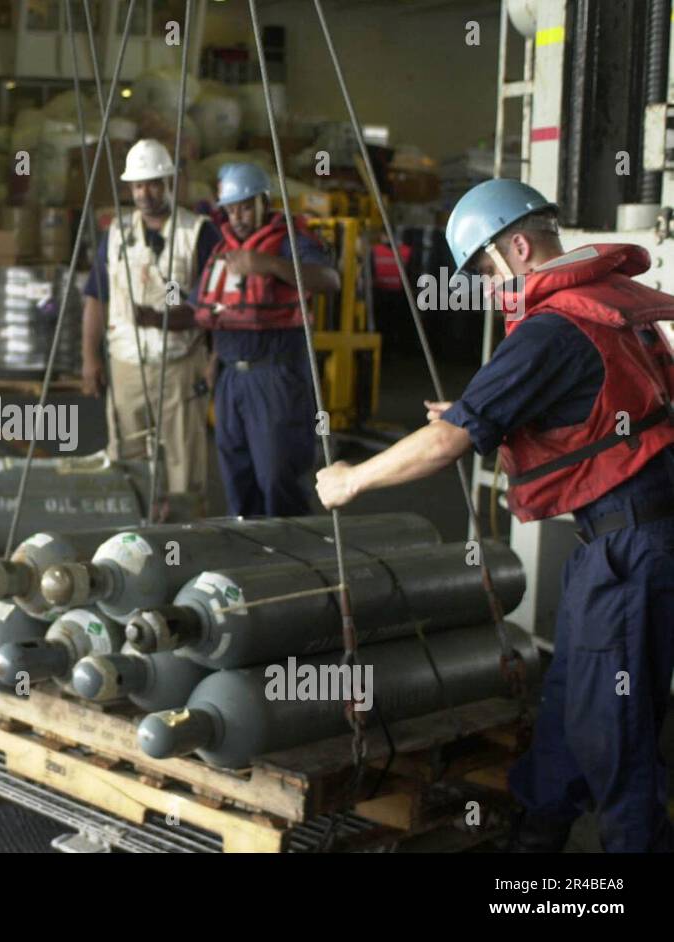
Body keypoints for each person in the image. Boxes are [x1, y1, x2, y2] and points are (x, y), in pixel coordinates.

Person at [315, 178, 674, 853]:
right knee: (570, 705)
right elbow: (586, 407)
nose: (485, 286)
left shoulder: (552, 328)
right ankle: (535, 846)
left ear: (516, 245)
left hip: (628, 552)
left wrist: (351, 480)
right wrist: (479, 407)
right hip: (624, 543)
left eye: (484, 268)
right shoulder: (604, 305)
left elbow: (450, 443)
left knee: (614, 734)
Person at [192, 163, 339, 516]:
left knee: (278, 476)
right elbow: (216, 309)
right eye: (231, 208)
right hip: (231, 376)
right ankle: (249, 557)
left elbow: (329, 280)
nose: (238, 216)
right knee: (236, 475)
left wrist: (268, 265)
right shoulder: (221, 250)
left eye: (245, 206)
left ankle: (291, 557)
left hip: (276, 376)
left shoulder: (292, 241)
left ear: (264, 202)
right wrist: (213, 362)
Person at [81, 138, 219, 499]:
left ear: (169, 182)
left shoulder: (198, 232)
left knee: (184, 464)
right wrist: (90, 358)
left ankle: (183, 541)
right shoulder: (115, 235)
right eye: (139, 184)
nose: (146, 192)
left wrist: (215, 360)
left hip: (180, 364)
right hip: (126, 364)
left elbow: (218, 305)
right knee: (126, 462)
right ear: (130, 188)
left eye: (154, 182)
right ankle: (131, 540)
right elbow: (96, 297)